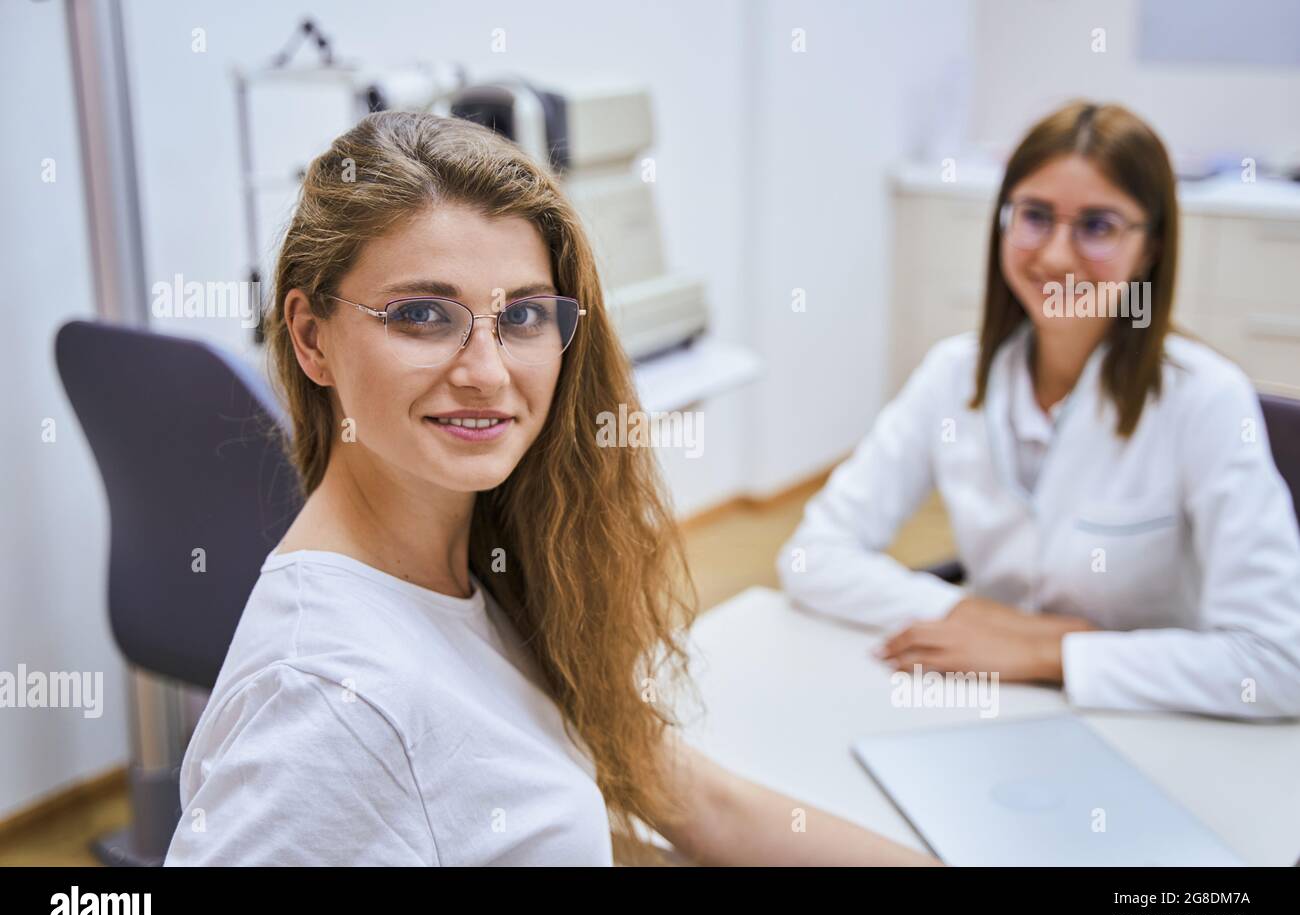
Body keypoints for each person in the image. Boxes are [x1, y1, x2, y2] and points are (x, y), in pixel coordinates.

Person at [165, 111, 934, 866]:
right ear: (309, 337)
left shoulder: (488, 573)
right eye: (424, 315)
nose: (487, 373)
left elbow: (701, 804)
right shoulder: (326, 696)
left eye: (524, 315)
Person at [778, 101, 1300, 720]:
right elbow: (811, 556)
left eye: (1098, 225)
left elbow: (1278, 663)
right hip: (989, 708)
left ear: (1151, 248)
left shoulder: (1205, 400)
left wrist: (1058, 652)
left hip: (1153, 721)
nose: (1055, 256)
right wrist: (978, 619)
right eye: (1035, 216)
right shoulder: (953, 375)